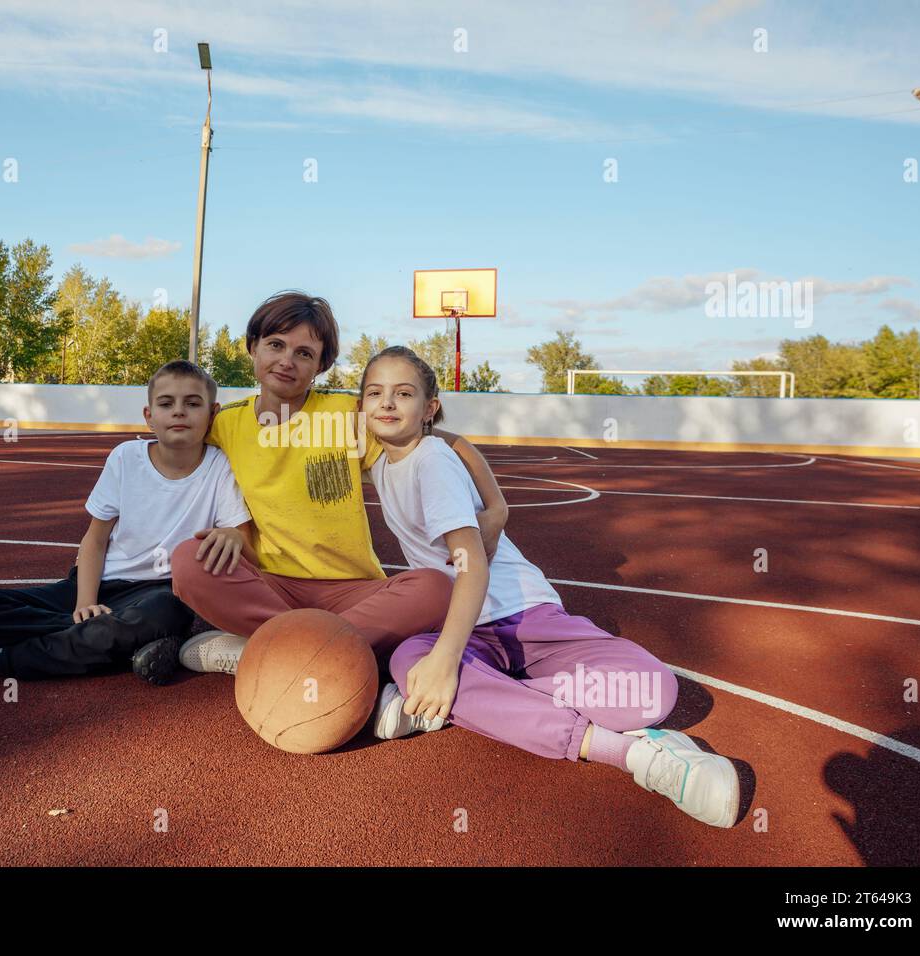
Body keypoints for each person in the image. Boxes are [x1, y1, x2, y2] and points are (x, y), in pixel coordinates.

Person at [358, 345, 741, 829]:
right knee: (410, 658)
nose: (387, 403)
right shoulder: (383, 458)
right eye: (375, 393)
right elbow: (442, 438)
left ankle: (458, 700)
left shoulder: (432, 462)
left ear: (429, 407)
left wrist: (446, 662)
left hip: (525, 616)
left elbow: (471, 562)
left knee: (650, 690)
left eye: (404, 393)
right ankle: (634, 755)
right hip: (464, 631)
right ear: (361, 406)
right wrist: (497, 504)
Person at [156, 290, 508, 677]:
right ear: (253, 348)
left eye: (304, 353)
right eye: (275, 345)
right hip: (273, 585)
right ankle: (330, 648)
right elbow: (172, 447)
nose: (287, 361)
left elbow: (445, 440)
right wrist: (232, 534)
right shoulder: (225, 424)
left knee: (435, 588)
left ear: (320, 366)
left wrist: (497, 509)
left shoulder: (346, 415)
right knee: (189, 561)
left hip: (353, 590)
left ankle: (265, 649)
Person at [0, 360, 255, 685]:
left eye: (192, 403)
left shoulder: (219, 466)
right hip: (100, 584)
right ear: (149, 415)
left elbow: (240, 536)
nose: (179, 412)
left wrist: (232, 535)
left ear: (212, 413)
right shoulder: (126, 457)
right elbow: (95, 540)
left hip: (157, 595)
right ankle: (116, 642)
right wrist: (85, 603)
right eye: (167, 404)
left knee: (165, 614)